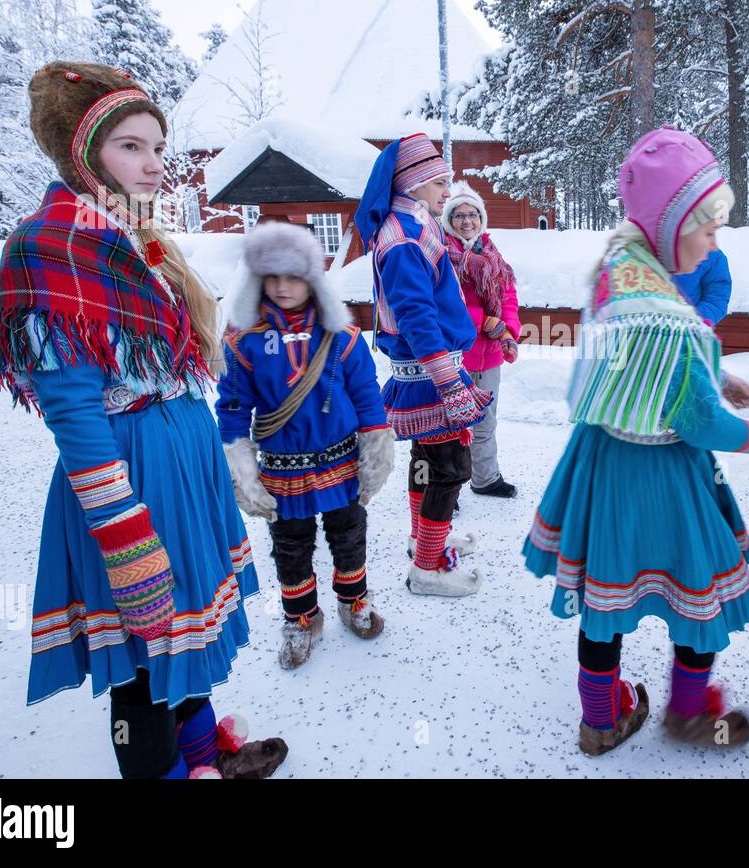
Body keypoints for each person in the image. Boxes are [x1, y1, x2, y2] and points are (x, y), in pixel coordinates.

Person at [0, 62, 286, 778]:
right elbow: (74, 414)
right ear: (86, 154)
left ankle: (202, 751)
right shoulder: (50, 248)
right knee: (140, 661)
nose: (154, 164)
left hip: (180, 470)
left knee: (180, 635)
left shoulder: (136, 239)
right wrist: (124, 537)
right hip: (129, 483)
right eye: (131, 146)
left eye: (157, 146)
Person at [522, 127, 749, 756]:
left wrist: (716, 372)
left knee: (604, 600)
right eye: (709, 229)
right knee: (699, 597)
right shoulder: (667, 313)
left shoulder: (621, 270)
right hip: (664, 473)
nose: (714, 244)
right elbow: (698, 423)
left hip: (603, 462)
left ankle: (599, 718)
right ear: (671, 225)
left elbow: (644, 364)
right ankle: (689, 714)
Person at [217, 221, 395, 668]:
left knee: (349, 536)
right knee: (290, 545)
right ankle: (300, 617)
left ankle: (353, 601)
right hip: (282, 468)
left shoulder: (344, 337)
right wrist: (241, 467)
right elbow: (233, 409)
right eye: (271, 277)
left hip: (341, 463)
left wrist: (376, 448)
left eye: (293, 276)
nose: (282, 287)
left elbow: (367, 395)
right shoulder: (243, 343)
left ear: (312, 279)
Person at [354, 134, 492, 597]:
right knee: (451, 468)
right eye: (437, 181)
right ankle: (428, 568)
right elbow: (416, 315)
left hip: (424, 371)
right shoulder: (405, 238)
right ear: (413, 183)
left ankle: (423, 539)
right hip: (431, 374)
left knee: (428, 460)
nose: (446, 190)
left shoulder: (412, 224)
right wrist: (449, 381)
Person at [442, 181, 521, 499]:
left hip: (488, 355)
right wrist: (483, 321)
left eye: (472, 214)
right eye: (459, 215)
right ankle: (446, 488)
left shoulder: (492, 254)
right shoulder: (440, 254)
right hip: (455, 355)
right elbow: (444, 304)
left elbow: (510, 297)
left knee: (486, 421)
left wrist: (509, 331)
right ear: (449, 220)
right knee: (450, 425)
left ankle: (485, 479)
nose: (466, 221)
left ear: (481, 218)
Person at [672, 248, 732, 326]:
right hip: (653, 325)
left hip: (689, 328)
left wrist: (694, 321)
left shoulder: (711, 254)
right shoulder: (652, 250)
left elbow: (716, 300)